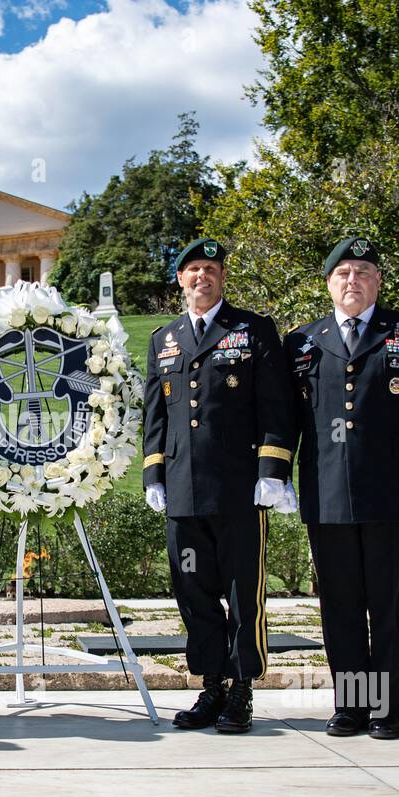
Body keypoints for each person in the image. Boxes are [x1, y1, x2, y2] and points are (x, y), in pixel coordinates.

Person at [284, 237, 399, 740]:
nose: (352, 280)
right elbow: (287, 417)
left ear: (378, 281)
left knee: (388, 606)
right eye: (342, 273)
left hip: (395, 494)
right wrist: (277, 472)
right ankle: (351, 706)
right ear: (328, 284)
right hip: (329, 495)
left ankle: (385, 709)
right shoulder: (302, 341)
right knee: (339, 607)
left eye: (363, 271)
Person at [141, 238, 295, 734]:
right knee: (194, 592)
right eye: (192, 270)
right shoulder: (163, 339)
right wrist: (153, 474)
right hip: (182, 491)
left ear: (222, 277)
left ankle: (243, 689)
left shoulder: (252, 329)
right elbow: (155, 415)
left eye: (210, 268)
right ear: (180, 281)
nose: (201, 277)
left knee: (241, 591)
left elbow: (277, 406)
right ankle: (211, 686)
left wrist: (272, 471)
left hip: (238, 489)